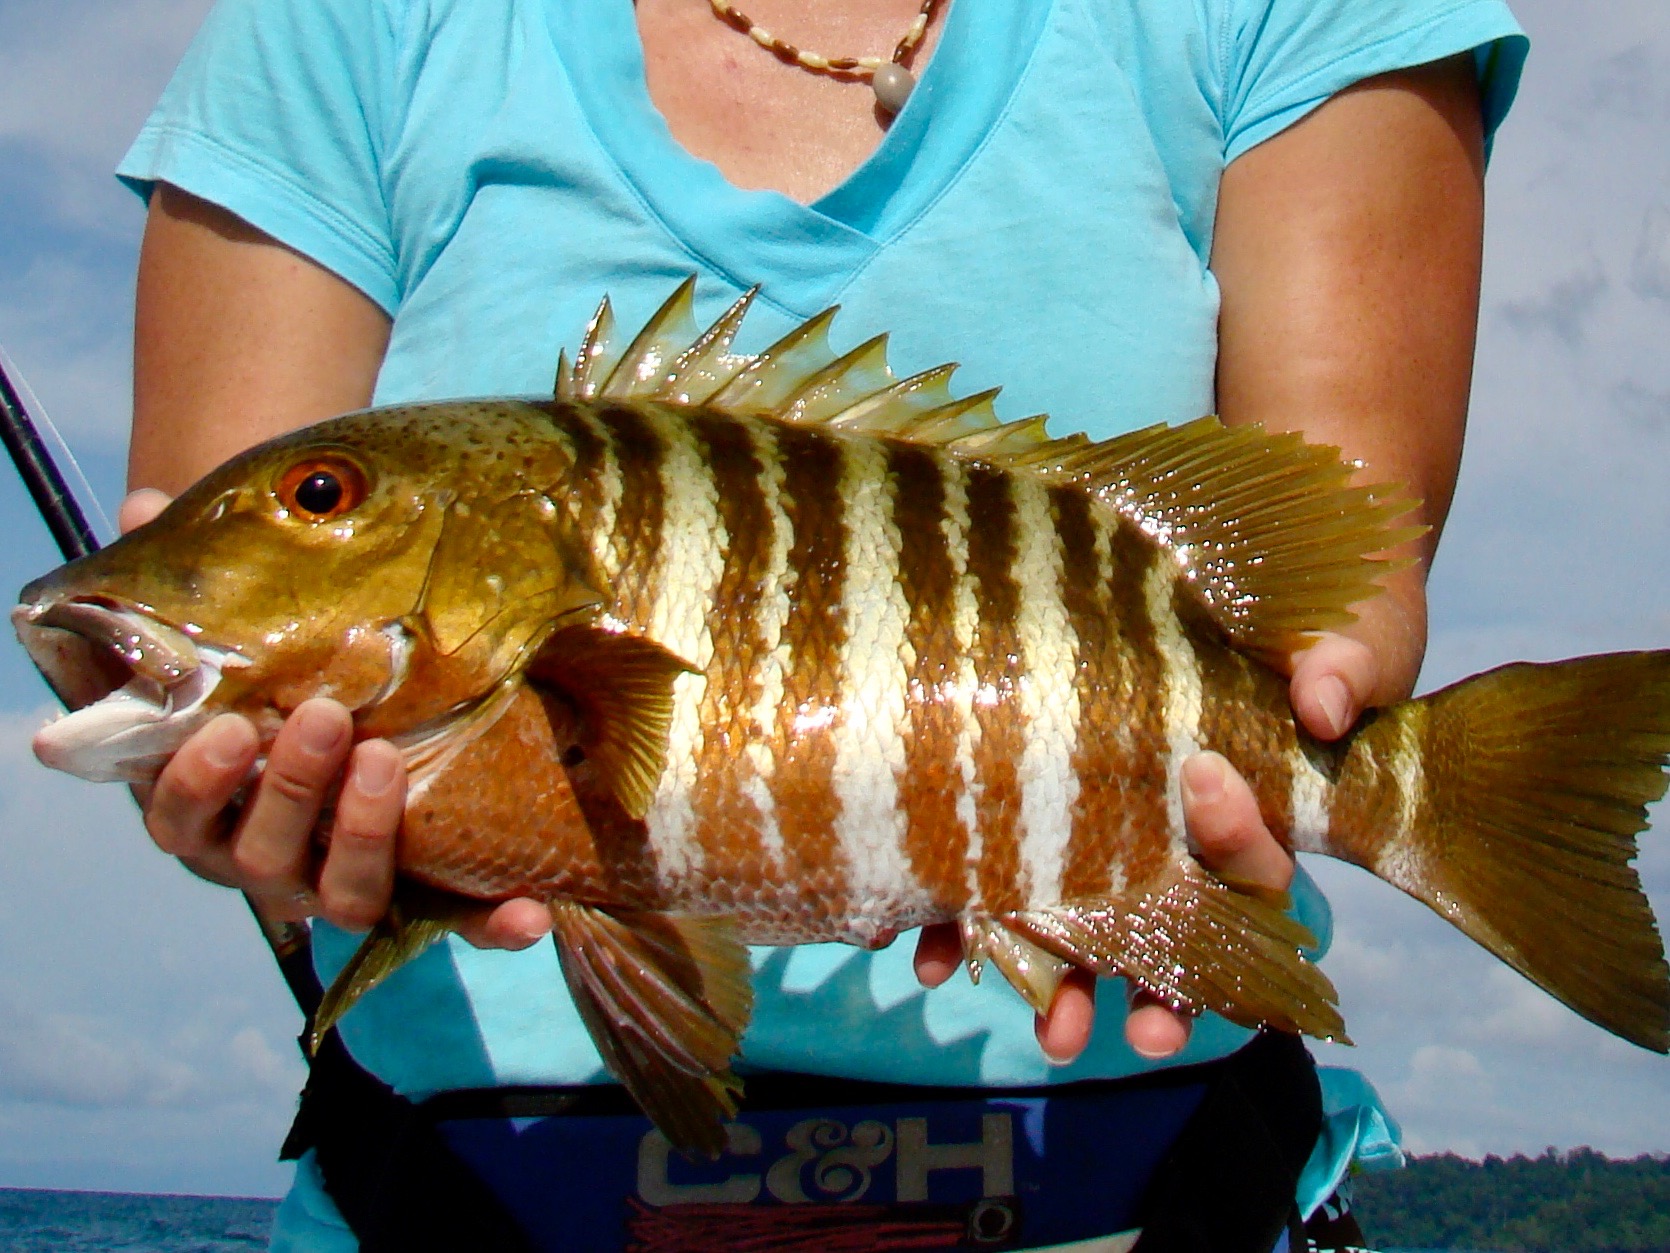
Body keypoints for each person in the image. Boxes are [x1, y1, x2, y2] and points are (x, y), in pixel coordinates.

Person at [114, 0, 1525, 1247]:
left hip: (1165, 1187)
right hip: (442, 1197)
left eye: (323, 497)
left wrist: (1339, 690)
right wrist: (235, 792)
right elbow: (208, 607)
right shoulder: (342, 24)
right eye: (327, 496)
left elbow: (1338, 554)